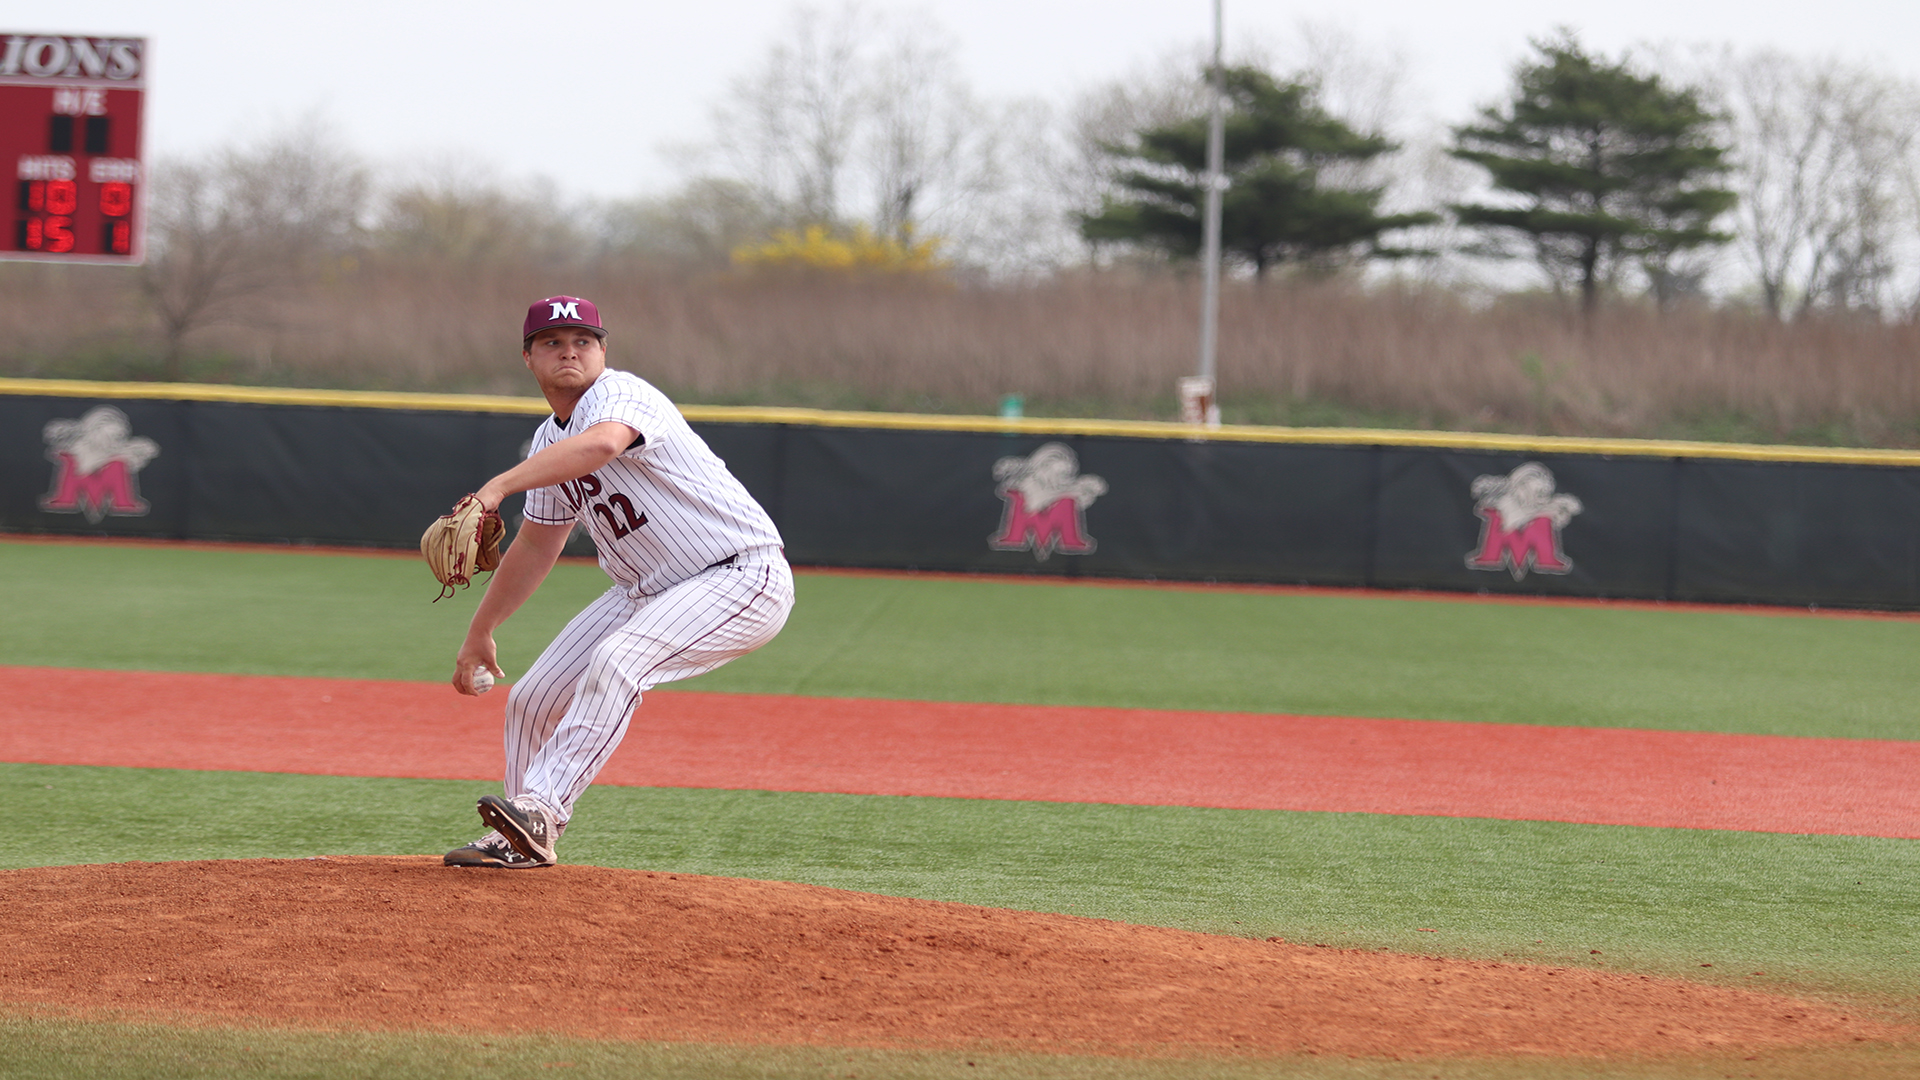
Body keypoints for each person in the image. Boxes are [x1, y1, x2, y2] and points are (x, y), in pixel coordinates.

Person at [444, 295, 793, 869]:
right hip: (648, 591)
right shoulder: (546, 443)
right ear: (527, 358)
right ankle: (520, 838)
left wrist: (496, 487)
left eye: (583, 341)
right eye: (552, 342)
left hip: (740, 575)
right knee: (533, 699)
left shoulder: (621, 394)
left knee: (617, 660)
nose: (569, 351)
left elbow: (603, 445)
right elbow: (537, 542)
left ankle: (541, 807)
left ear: (603, 351)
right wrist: (480, 630)